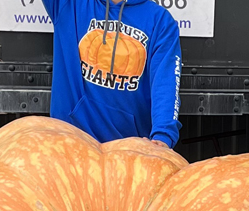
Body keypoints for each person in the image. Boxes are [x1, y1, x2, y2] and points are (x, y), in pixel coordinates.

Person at [42, 0, 182, 148]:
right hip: (70, 143)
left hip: (127, 153)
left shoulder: (160, 21)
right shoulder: (69, 5)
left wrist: (163, 136)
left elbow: (165, 83)